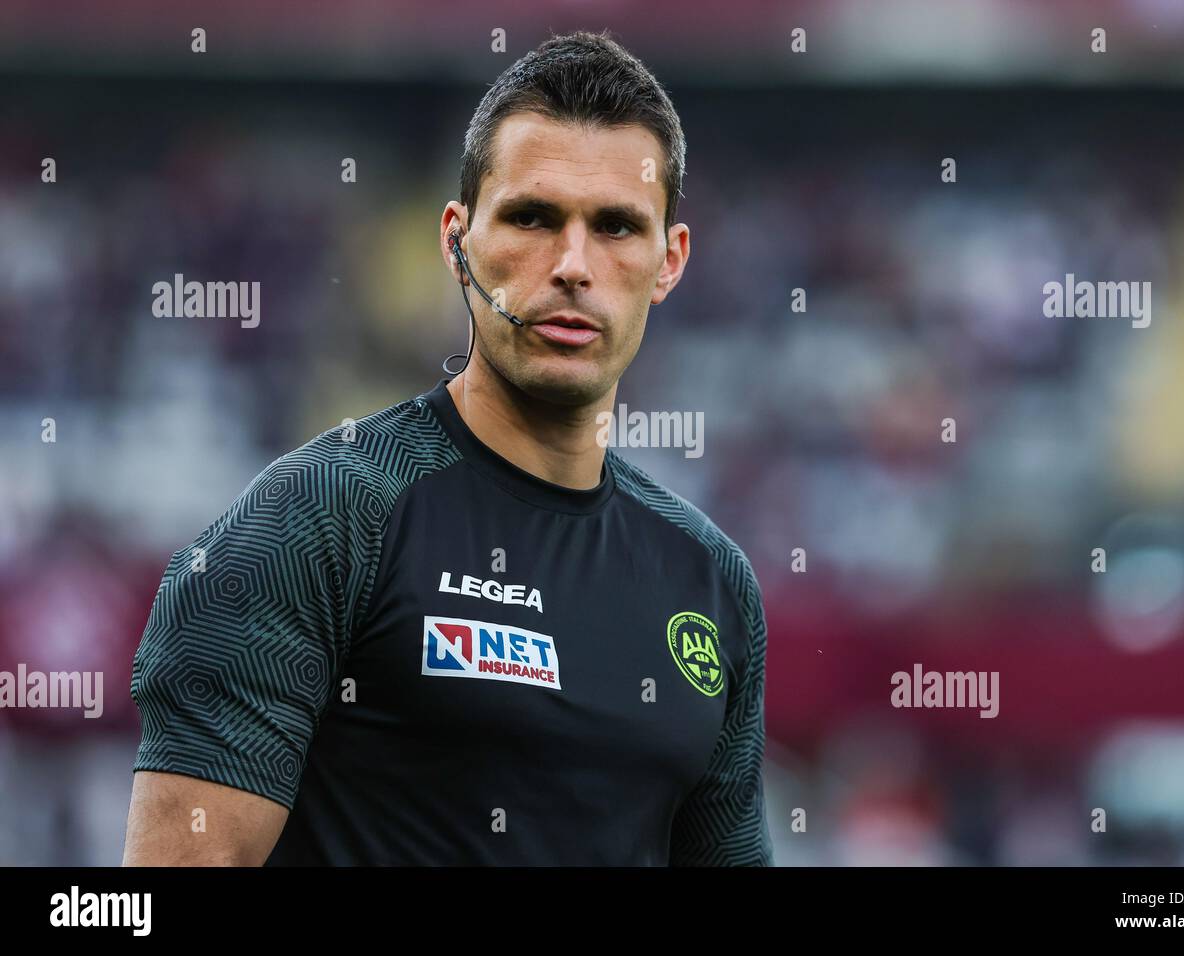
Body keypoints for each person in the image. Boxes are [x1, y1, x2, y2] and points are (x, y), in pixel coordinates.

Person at [123, 29, 773, 866]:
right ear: (458, 241)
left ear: (668, 262)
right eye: (534, 217)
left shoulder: (711, 582)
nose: (573, 265)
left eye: (616, 227)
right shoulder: (316, 521)